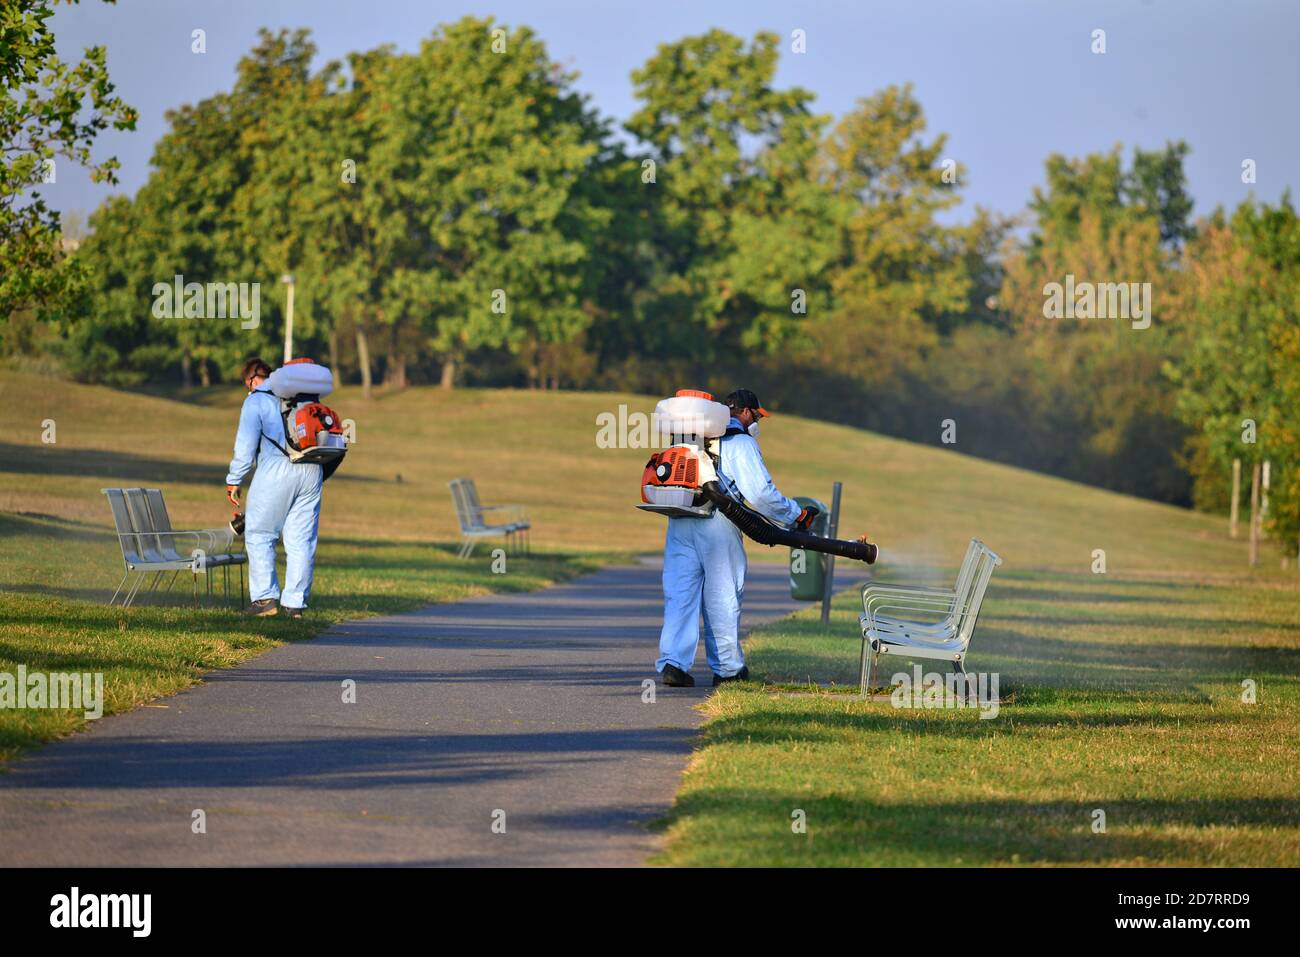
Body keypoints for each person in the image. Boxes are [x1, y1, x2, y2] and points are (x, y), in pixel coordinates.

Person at [656, 388, 818, 687]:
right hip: (717, 524)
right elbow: (760, 494)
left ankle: (672, 664)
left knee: (680, 595)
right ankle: (728, 670)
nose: (757, 421)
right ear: (745, 412)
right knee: (722, 596)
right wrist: (796, 516)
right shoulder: (739, 442)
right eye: (757, 416)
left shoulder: (688, 437)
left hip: (679, 520)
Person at [225, 357, 324, 618]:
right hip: (312, 469)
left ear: (251, 380)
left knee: (259, 534)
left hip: (277, 469)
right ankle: (295, 605)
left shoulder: (255, 400)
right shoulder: (303, 396)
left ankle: (265, 600)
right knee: (301, 540)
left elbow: (245, 447)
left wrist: (234, 480)